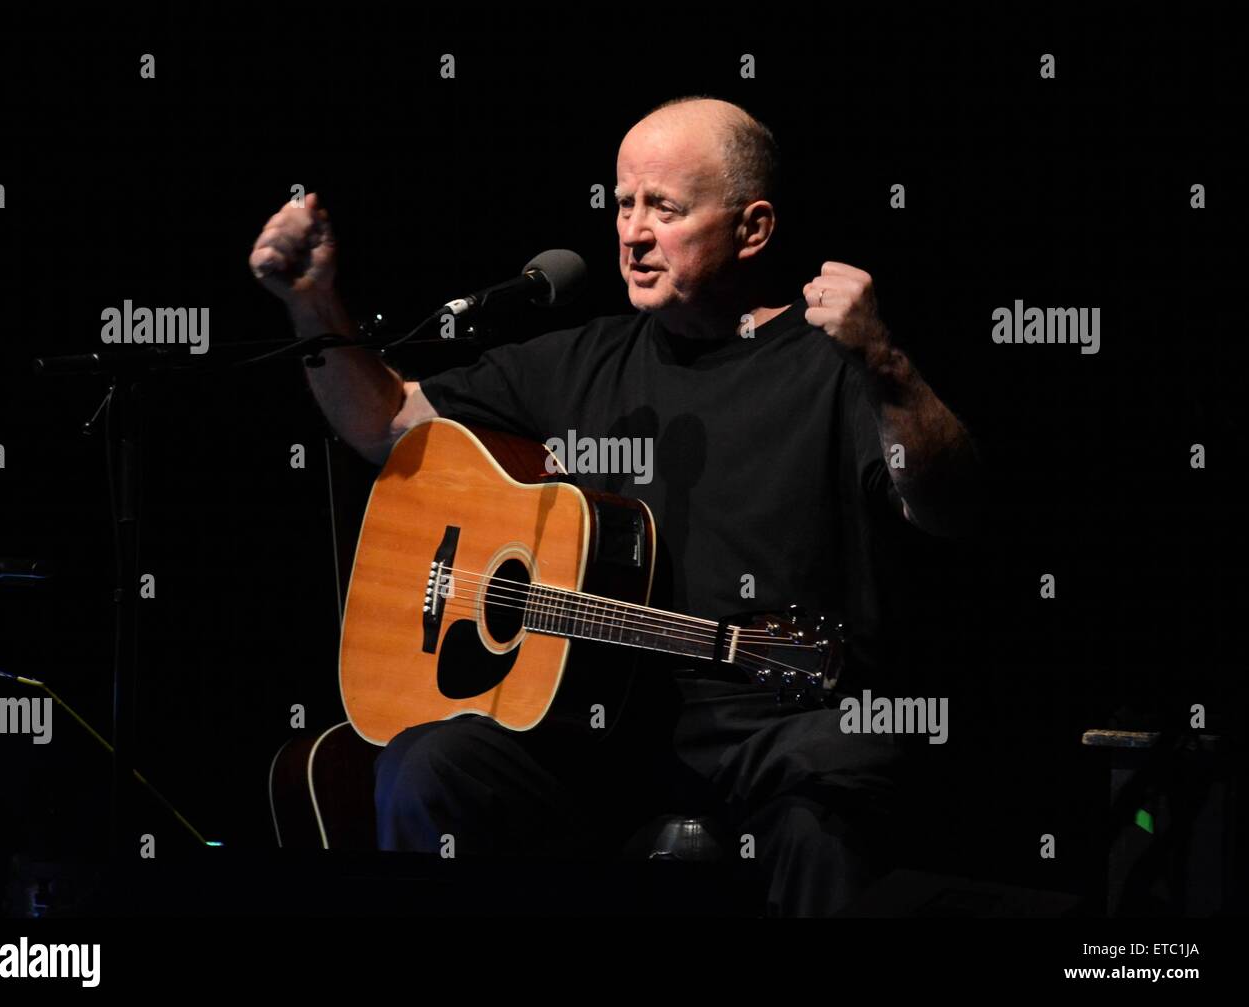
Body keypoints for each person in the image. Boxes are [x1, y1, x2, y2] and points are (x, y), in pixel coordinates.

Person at [249, 95, 981, 916]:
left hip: (785, 726)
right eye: (623, 202)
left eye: (663, 208)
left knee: (835, 796)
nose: (632, 230)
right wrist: (313, 306)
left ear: (753, 228)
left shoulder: (835, 362)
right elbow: (385, 421)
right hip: (603, 742)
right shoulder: (582, 360)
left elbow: (950, 507)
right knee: (429, 763)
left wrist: (887, 366)